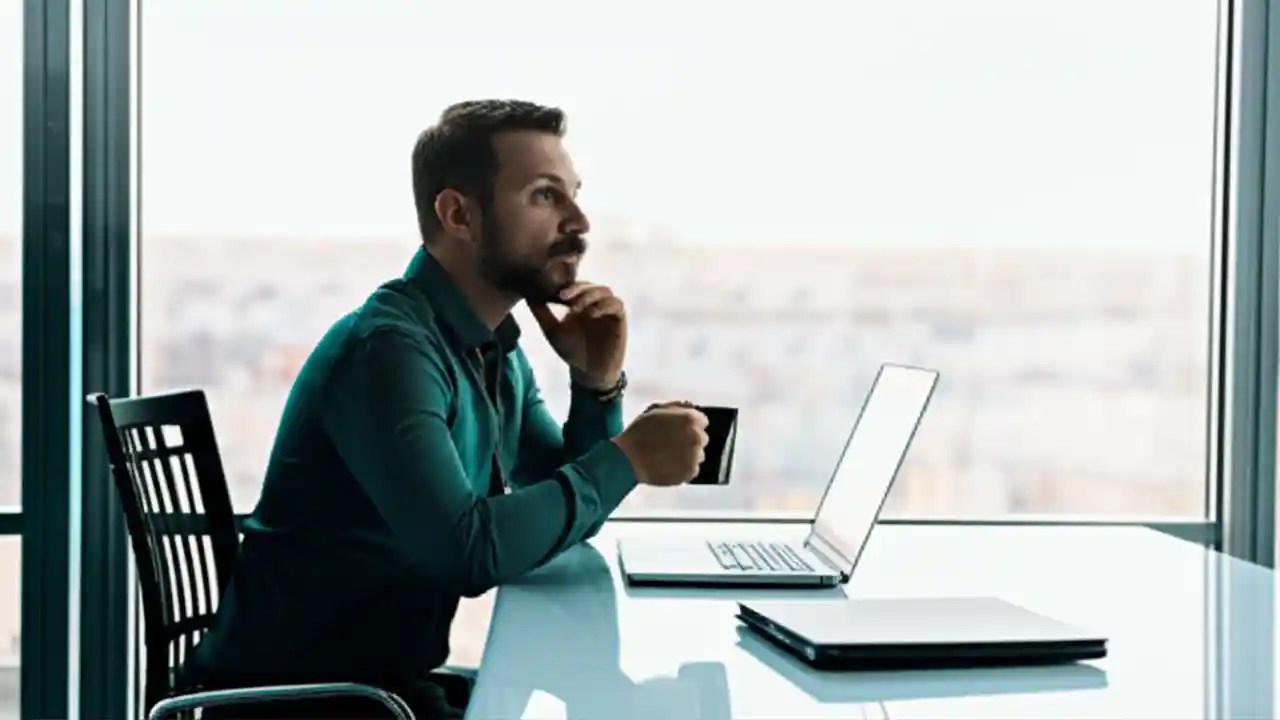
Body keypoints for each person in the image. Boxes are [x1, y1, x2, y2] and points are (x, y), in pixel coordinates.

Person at [182, 99, 711, 719]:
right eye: (546, 197)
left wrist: (596, 388)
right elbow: (466, 552)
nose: (580, 222)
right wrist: (628, 458)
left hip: (385, 689)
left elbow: (565, 509)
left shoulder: (492, 351)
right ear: (459, 214)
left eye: (574, 194)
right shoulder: (389, 351)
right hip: (302, 704)